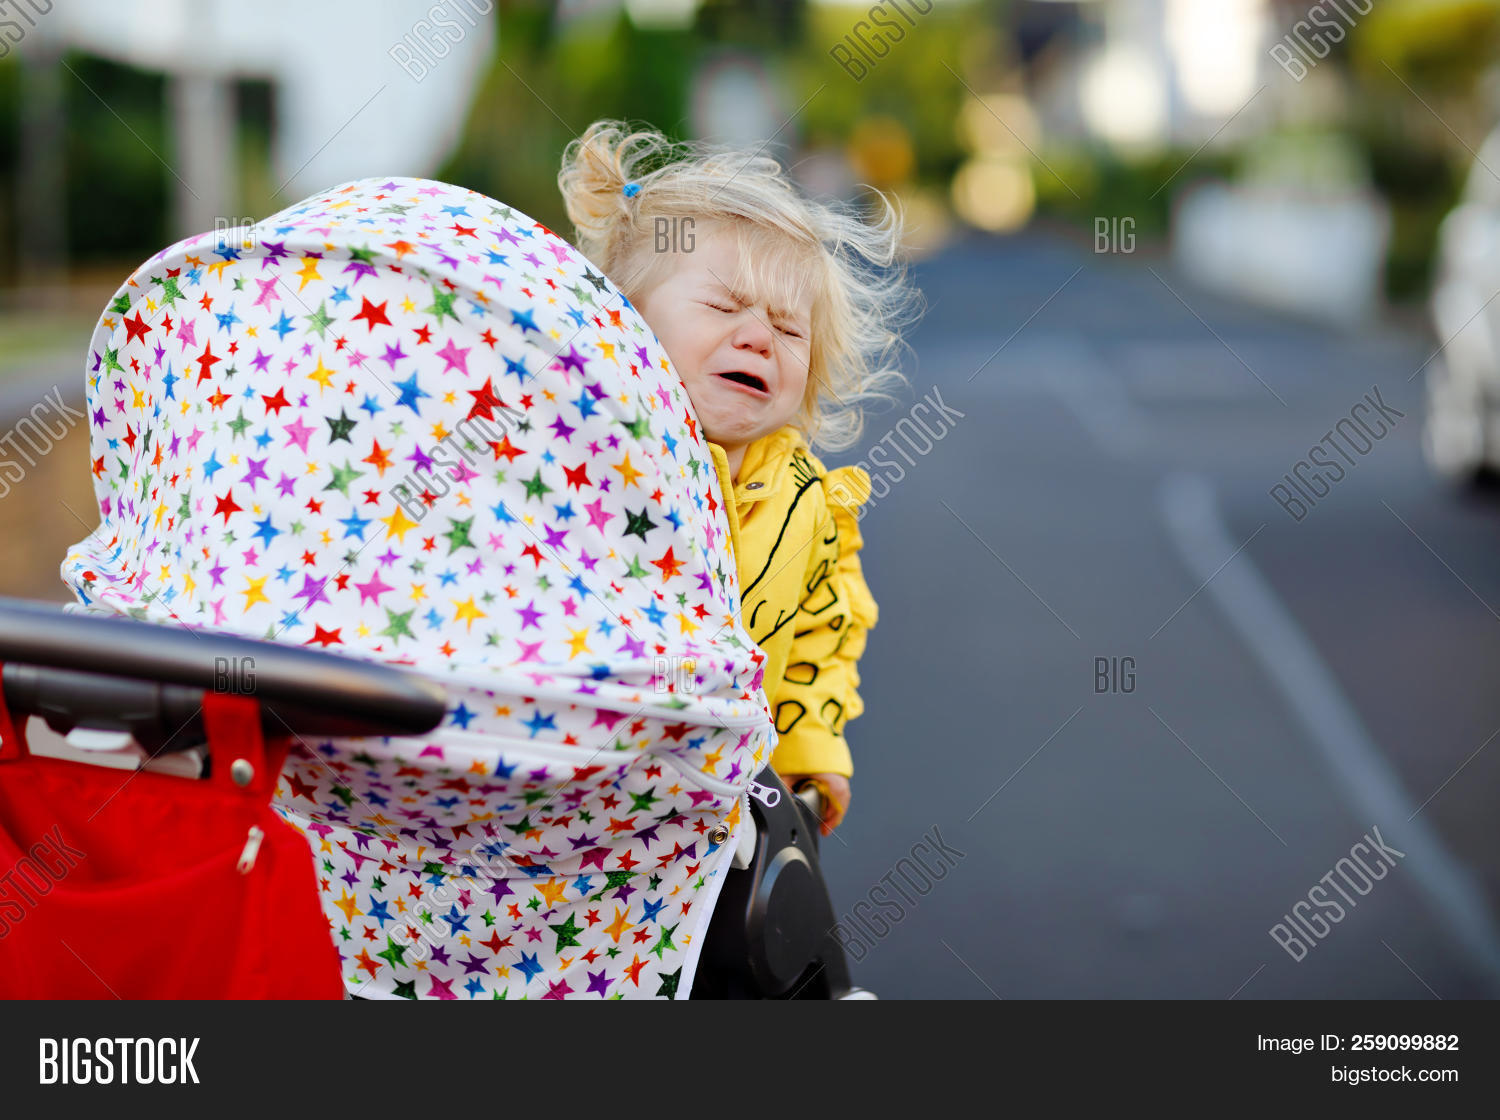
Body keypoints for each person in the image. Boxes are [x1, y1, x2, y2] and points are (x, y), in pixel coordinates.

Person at [558, 120, 918, 834]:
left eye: (788, 330)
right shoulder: (584, 454)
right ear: (626, 324)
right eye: (723, 307)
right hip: (576, 797)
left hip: (718, 823)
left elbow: (825, 628)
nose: (757, 334)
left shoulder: (807, 504)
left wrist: (810, 754)